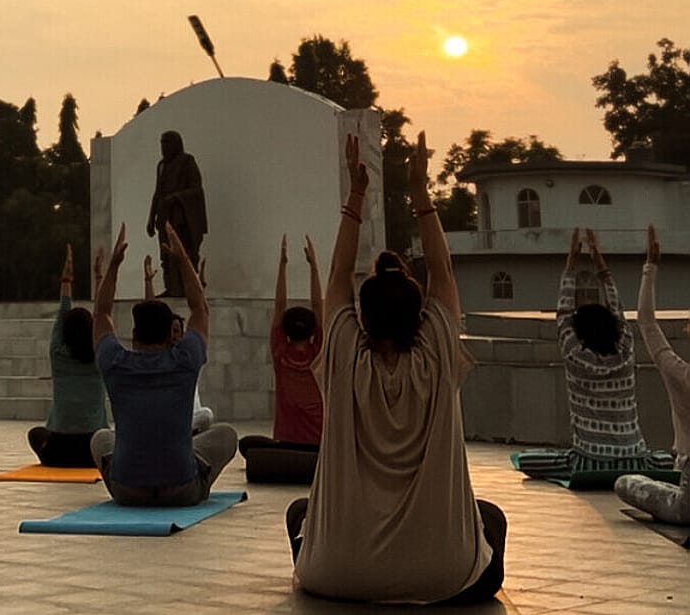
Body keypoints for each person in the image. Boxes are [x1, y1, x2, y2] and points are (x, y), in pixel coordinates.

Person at [287, 132, 505, 604]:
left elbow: (337, 275)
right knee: (490, 519)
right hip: (443, 576)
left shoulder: (345, 355)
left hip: (336, 574)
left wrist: (356, 194)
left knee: (298, 514)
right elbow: (443, 274)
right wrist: (420, 193)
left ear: (362, 316)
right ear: (419, 313)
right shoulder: (437, 354)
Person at [90, 222, 237, 507]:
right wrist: (183, 258)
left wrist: (114, 266)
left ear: (134, 334)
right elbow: (200, 309)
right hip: (182, 489)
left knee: (101, 437)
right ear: (170, 333)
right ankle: (187, 466)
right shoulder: (185, 359)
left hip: (127, 490)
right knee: (227, 435)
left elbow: (101, 313)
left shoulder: (114, 362)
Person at [516, 227, 671, 481]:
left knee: (526, 459)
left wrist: (571, 262)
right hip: (634, 457)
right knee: (665, 459)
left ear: (580, 331)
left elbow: (563, 313)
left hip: (588, 460)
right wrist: (599, 260)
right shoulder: (625, 352)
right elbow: (618, 310)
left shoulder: (575, 356)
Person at [615, 225, 690, 522]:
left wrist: (650, 267)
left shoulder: (682, 375)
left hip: (687, 503)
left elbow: (646, 322)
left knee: (626, 483)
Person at [238, 234, 323, 482]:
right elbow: (319, 307)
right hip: (319, 448)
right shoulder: (319, 353)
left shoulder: (280, 353)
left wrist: (283, 264)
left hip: (286, 448)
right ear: (313, 331)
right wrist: (314, 267)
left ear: (284, 331)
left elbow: (279, 306)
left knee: (247, 444)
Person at [27, 244, 108, 468]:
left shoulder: (58, 354)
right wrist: (99, 276)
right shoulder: (101, 355)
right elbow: (102, 314)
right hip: (93, 451)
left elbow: (62, 315)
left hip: (59, 451)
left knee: (35, 434)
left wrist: (66, 280)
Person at [144, 254, 213, 434]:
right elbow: (150, 318)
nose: (174, 336)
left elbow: (202, 315)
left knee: (207, 415)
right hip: (167, 418)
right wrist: (148, 282)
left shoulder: (188, 357)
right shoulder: (158, 356)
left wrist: (199, 287)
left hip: (191, 419)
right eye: (171, 332)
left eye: (177, 332)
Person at [146, 130, 207, 298]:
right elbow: (157, 193)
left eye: (166, 143)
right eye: (161, 143)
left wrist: (175, 198)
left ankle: (189, 287)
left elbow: (196, 189)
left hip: (182, 218)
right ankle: (171, 287)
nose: (163, 147)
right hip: (165, 217)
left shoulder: (187, 162)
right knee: (166, 254)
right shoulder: (162, 166)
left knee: (184, 253)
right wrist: (151, 218)